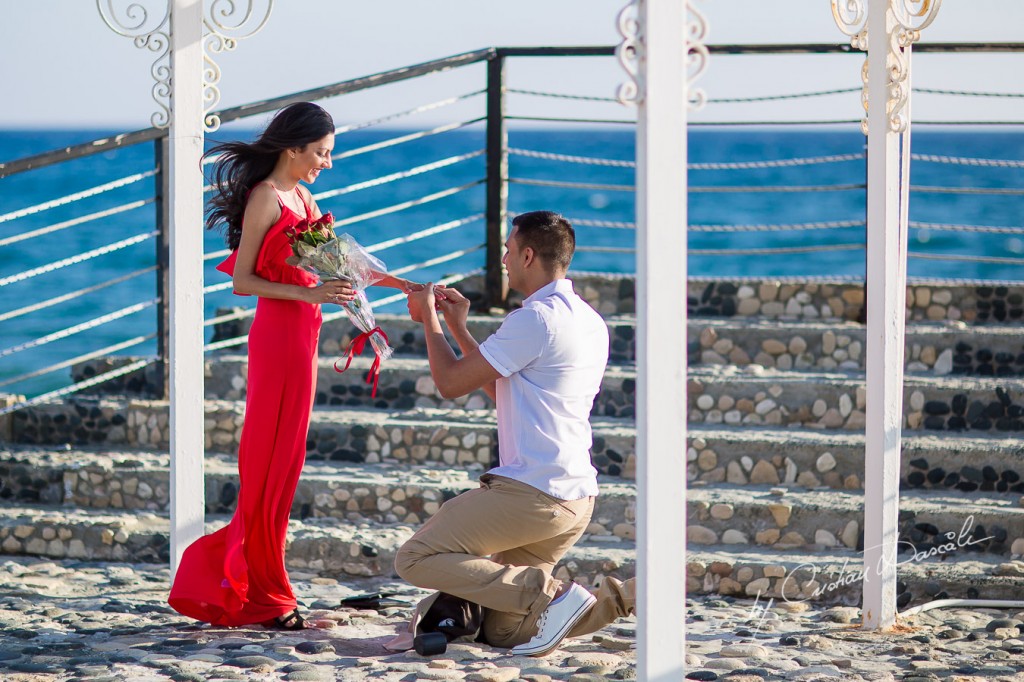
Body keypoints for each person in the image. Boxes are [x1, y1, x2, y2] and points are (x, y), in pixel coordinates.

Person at [168, 102, 414, 629]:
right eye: (321, 153)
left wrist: (407, 287)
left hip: (303, 340)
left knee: (286, 469)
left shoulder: (304, 195)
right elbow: (243, 282)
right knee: (266, 468)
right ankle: (264, 597)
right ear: (293, 148)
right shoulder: (265, 197)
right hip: (277, 341)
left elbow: (342, 267)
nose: (327, 162)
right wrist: (312, 295)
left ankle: (266, 590)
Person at [393, 210, 635, 657]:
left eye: (507, 250)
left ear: (528, 255)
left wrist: (427, 320)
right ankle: (628, 597)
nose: (503, 259)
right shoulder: (587, 320)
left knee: (414, 558)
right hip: (574, 500)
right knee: (504, 632)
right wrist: (459, 328)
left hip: (534, 493)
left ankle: (551, 595)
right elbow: (496, 384)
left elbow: (449, 384)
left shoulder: (535, 319)